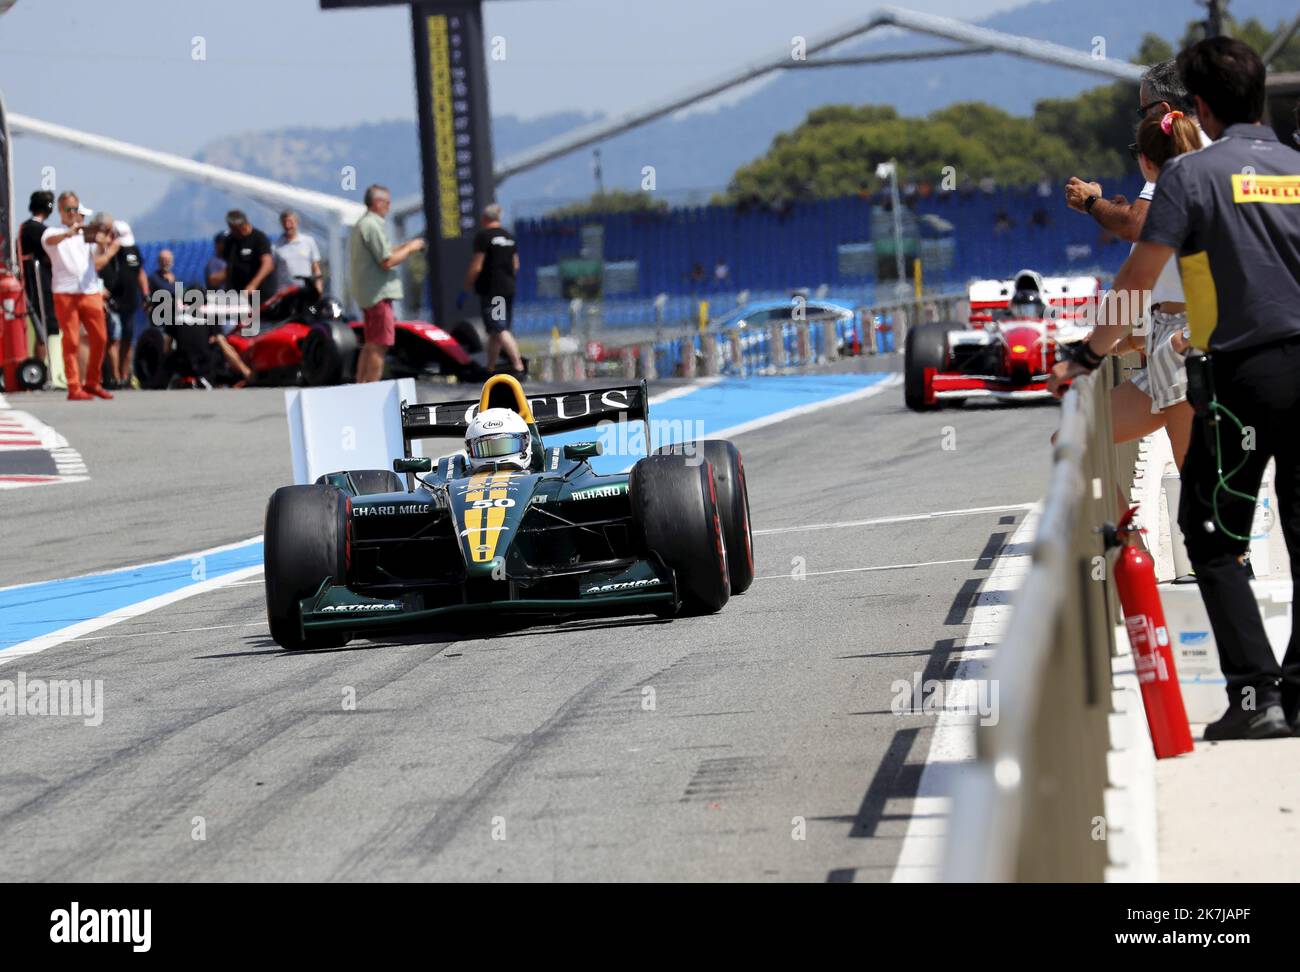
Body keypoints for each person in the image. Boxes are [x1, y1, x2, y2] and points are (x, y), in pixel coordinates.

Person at [1050, 38, 1300, 741]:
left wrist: (1085, 353)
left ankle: (1257, 698)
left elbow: (1137, 277)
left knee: (1213, 533)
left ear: (1201, 106)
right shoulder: (1295, 168)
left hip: (1239, 373)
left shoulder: (1194, 174)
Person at [1064, 59, 1210, 241]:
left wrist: (1090, 201)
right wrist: (1118, 210)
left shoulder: (1179, 151)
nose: (1143, 121)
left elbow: (1136, 224)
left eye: (1143, 112)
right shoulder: (1219, 144)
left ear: (1163, 110)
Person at [40, 191, 116, 401]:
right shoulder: (52, 232)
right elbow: (50, 241)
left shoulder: (86, 234)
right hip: (65, 293)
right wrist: (69, 233)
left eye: (76, 209)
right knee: (71, 341)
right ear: (60, 210)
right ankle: (74, 386)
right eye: (69, 209)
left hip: (89, 291)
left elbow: (98, 257)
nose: (73, 213)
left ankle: (92, 382)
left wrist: (101, 243)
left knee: (100, 338)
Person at [349, 184, 425, 383]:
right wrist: (411, 249)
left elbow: (385, 251)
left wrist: (404, 246)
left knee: (370, 342)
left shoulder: (363, 224)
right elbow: (387, 261)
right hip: (379, 294)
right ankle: (372, 388)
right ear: (377, 203)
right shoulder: (372, 225)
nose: (389, 208)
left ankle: (360, 386)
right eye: (387, 203)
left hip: (369, 293)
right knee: (380, 344)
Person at [463, 203, 523, 376]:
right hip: (508, 288)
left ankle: (518, 365)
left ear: (484, 218)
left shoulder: (483, 236)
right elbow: (516, 265)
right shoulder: (509, 236)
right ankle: (490, 368)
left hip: (493, 290)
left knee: (498, 328)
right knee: (494, 331)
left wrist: (466, 287)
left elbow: (477, 266)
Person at [18, 191, 59, 382]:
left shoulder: (23, 228)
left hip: (29, 282)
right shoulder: (41, 231)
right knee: (42, 325)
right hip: (39, 283)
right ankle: (42, 369)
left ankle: (42, 368)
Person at [272, 209, 322, 296]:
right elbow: (272, 270)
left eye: (290, 222)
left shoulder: (308, 241)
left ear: (297, 222)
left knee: (312, 310)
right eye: (284, 222)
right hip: (285, 294)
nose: (287, 225)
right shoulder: (276, 246)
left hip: (307, 292)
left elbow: (316, 269)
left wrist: (318, 289)